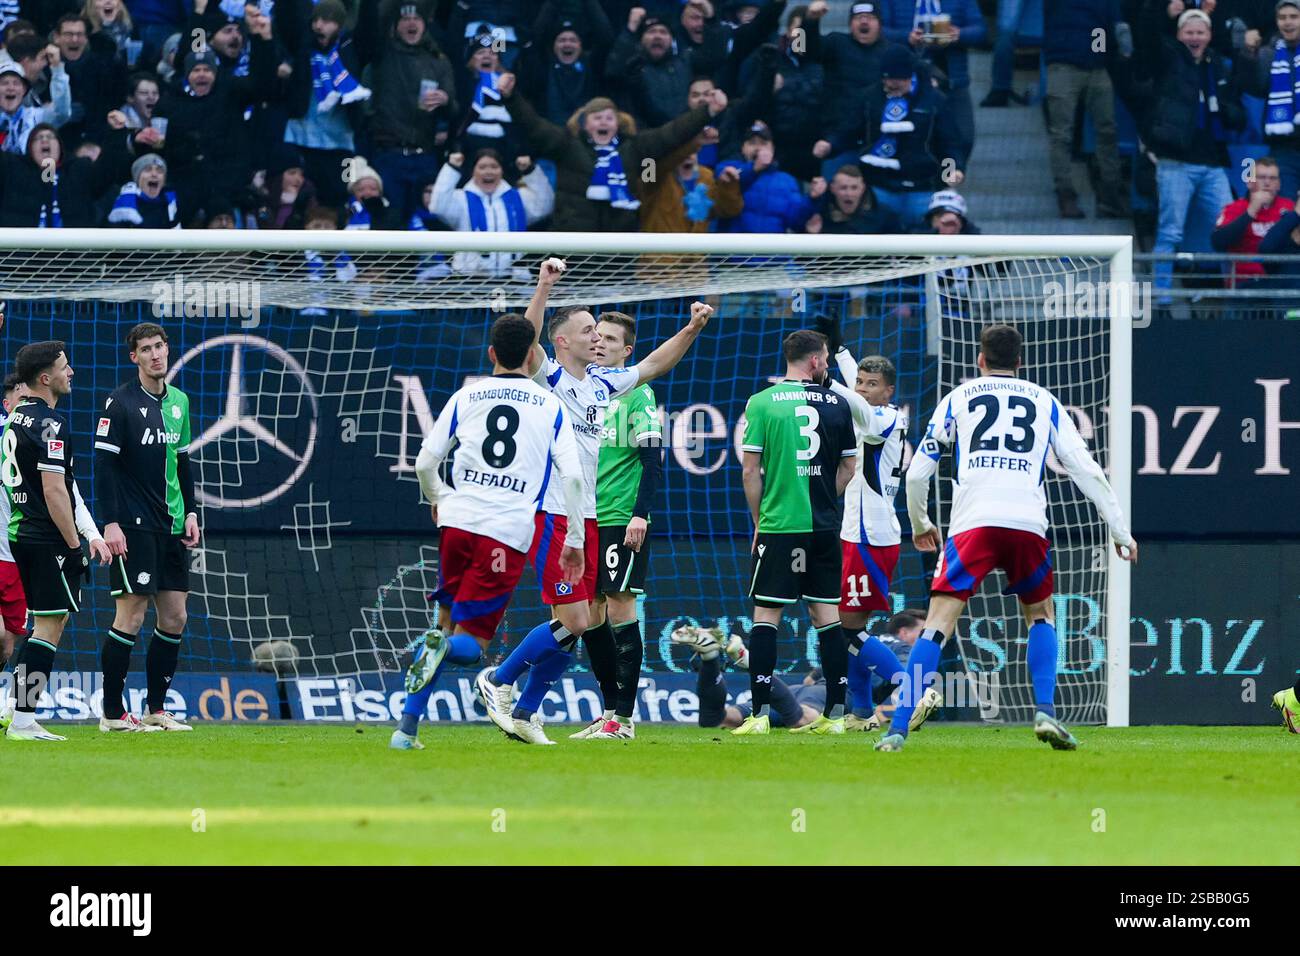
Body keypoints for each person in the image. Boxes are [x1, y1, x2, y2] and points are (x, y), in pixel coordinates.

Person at [476, 259, 713, 746]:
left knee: (581, 622)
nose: (596, 337)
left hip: (585, 518)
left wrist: (690, 329)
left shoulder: (603, 386)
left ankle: (523, 710)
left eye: (600, 332)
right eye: (588, 330)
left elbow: (652, 364)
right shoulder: (552, 381)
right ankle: (499, 680)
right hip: (555, 514)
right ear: (564, 343)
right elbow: (529, 337)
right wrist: (544, 286)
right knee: (579, 620)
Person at [890, 323, 1138, 752]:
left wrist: (920, 523)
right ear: (1020, 363)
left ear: (980, 360)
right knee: (1040, 616)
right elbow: (1086, 468)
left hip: (973, 524)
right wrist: (1119, 528)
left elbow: (917, 472)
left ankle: (896, 728)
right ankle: (1044, 711)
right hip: (1027, 523)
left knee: (938, 625)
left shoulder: (957, 399)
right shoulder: (1044, 400)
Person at [395, 313, 587, 750]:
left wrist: (438, 498)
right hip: (505, 531)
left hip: (457, 522)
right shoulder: (550, 405)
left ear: (492, 353)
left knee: (442, 628)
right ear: (532, 353)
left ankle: (406, 731)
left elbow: (426, 461)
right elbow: (573, 479)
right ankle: (442, 654)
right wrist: (574, 540)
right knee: (470, 646)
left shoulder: (468, 394)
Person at [808, 315, 938, 733]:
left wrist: (827, 381)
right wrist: (841, 349)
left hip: (869, 536)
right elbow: (855, 395)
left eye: (872, 384)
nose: (863, 388)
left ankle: (913, 689)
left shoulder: (884, 420)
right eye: (860, 381)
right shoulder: (872, 409)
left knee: (846, 630)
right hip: (859, 533)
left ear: (889, 392)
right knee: (854, 628)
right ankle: (860, 713)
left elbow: (855, 406)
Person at [733, 329, 858, 736]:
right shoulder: (839, 403)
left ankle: (757, 716)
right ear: (818, 361)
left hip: (779, 526)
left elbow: (750, 470)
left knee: (767, 615)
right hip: (823, 526)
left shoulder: (762, 402)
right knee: (827, 616)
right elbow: (848, 469)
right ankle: (835, 717)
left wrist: (758, 521)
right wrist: (822, 497)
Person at [94, 322, 201, 732]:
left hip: (172, 526)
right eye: (146, 349)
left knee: (175, 617)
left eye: (159, 346)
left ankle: (157, 709)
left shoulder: (180, 403)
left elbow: (183, 463)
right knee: (131, 617)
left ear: (167, 350)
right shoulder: (118, 403)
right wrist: (111, 523)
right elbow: (104, 467)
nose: (155, 354)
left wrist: (190, 512)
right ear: (133, 357)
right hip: (133, 527)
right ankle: (111, 712)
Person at [1, 341, 103, 741]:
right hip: (45, 537)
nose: (71, 372)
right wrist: (75, 547)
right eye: (65, 366)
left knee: (50, 622)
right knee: (47, 626)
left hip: (21, 533)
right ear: (45, 378)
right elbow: (56, 492)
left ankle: (18, 710)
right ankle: (22, 719)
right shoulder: (51, 423)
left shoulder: (12, 419)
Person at [496, 72, 729, 232]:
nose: (603, 122)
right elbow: (534, 125)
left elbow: (671, 133)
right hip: (574, 251)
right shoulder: (567, 146)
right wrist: (511, 98)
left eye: (609, 117)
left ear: (617, 123)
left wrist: (707, 112)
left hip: (618, 251)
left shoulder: (633, 148)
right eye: (597, 118)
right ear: (586, 124)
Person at [584, 312, 665, 740]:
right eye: (596, 336)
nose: (599, 343)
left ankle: (625, 719)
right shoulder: (584, 392)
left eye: (610, 339)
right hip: (585, 516)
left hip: (619, 515)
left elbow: (653, 460)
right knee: (591, 613)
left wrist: (639, 514)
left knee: (619, 606)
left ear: (627, 351)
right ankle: (608, 711)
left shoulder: (638, 395)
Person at [1144, 9, 1247, 303]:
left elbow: (1237, 112)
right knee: (1170, 234)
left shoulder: (1218, 66)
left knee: (1232, 231)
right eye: (1189, 31)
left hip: (1213, 164)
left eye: (1200, 31)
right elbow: (1148, 39)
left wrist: (1228, 112)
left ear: (1210, 35)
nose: (1194, 37)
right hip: (1176, 163)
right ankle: (1161, 299)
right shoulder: (1168, 60)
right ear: (1178, 35)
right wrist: (1160, 8)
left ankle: (1236, 295)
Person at [354, 0, 458, 224]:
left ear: (424, 23)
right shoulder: (382, 53)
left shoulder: (438, 61)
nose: (411, 23)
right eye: (405, 19)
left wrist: (446, 100)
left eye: (416, 18)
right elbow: (370, 26)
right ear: (395, 25)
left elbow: (455, 113)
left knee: (427, 224)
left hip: (425, 157)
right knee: (390, 223)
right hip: (389, 155)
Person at [854, 45, 963, 230]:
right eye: (889, 78)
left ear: (910, 76)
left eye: (899, 79)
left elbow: (949, 142)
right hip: (880, 187)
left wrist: (953, 170)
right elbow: (851, 131)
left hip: (922, 189)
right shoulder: (869, 97)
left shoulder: (934, 100)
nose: (893, 83)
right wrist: (830, 143)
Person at [1043, 0, 1126, 218]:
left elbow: (1114, 24)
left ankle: (1110, 195)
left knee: (1108, 131)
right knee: (1062, 135)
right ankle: (1065, 193)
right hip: (1063, 64)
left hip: (1097, 66)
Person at [879, 0, 987, 166]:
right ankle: (929, 183)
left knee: (963, 138)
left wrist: (960, 34)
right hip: (907, 83)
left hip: (953, 80)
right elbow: (879, 30)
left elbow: (980, 30)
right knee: (914, 140)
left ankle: (946, 181)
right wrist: (906, 37)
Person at [428, 148, 554, 274]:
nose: (489, 172)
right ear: (473, 171)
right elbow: (437, 206)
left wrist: (530, 171)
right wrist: (451, 168)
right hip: (469, 278)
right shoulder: (461, 199)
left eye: (494, 166)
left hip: (513, 279)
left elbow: (544, 205)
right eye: (482, 167)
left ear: (502, 170)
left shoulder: (518, 197)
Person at [813, 2, 893, 180]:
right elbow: (801, 50)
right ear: (850, 24)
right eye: (858, 18)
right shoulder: (836, 43)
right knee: (835, 198)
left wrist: (935, 79)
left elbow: (918, 69)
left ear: (879, 25)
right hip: (837, 142)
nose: (864, 22)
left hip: (878, 143)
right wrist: (808, 22)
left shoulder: (890, 52)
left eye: (870, 18)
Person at [1210, 155, 1295, 300]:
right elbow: (1218, 242)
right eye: (1262, 177)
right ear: (1250, 182)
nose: (1267, 182)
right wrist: (1251, 212)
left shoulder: (1289, 207)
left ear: (1279, 184)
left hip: (1280, 283)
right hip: (1245, 284)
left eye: (1273, 178)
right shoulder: (1235, 208)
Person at [1240, 0, 1300, 198]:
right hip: (1284, 147)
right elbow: (1254, 88)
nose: (1287, 22)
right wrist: (1248, 54)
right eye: (1282, 18)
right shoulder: (1267, 54)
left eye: (1293, 17)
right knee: (1287, 211)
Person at [717, 120, 814, 233]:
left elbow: (795, 222)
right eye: (752, 143)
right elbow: (728, 186)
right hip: (735, 248)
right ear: (743, 148)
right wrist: (754, 168)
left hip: (773, 249)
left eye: (763, 143)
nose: (758, 148)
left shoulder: (787, 181)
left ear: (772, 149)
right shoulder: (727, 167)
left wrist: (812, 199)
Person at [0, 50, 70, 155]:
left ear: (24, 90)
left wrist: (57, 70)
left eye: (16, 83)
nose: (11, 88)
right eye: (5, 83)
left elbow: (61, 113)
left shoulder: (36, 116)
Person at [805, 163, 903, 234]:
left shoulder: (884, 215)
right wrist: (811, 236)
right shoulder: (820, 214)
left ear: (863, 188)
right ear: (832, 189)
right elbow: (802, 259)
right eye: (843, 188)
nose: (849, 193)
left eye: (854, 188)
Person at [107, 152, 179, 227]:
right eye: (148, 170)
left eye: (159, 171)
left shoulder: (172, 202)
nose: (154, 174)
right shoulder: (122, 203)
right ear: (137, 178)